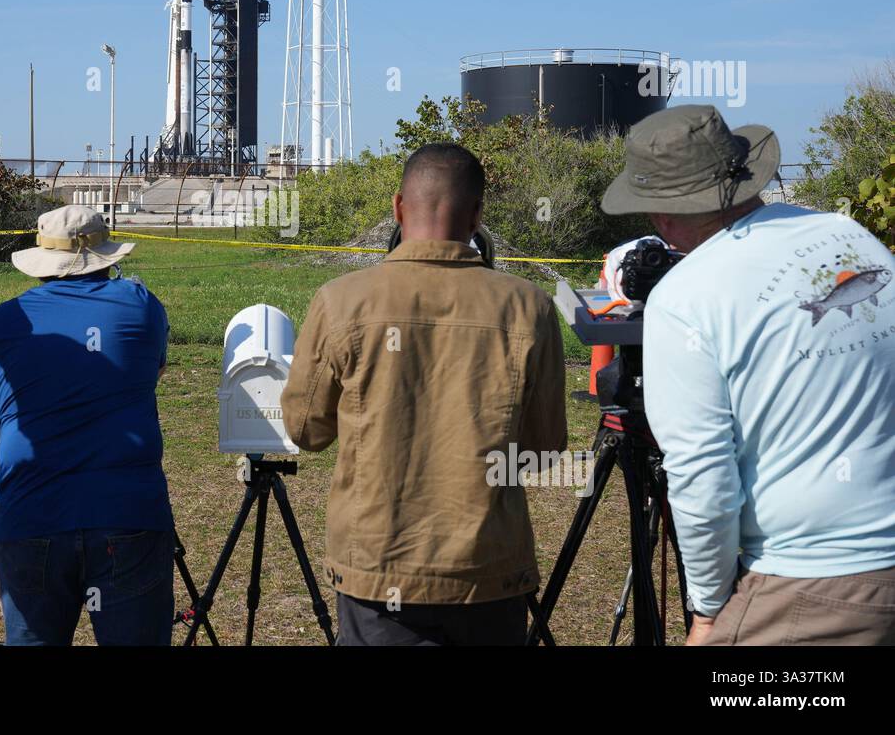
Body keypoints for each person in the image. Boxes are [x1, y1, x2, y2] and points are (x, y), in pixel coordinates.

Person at [601, 104, 895, 645]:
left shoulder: (686, 297)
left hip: (812, 583)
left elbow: (702, 475)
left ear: (661, 216)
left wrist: (709, 610)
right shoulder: (850, 235)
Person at [281, 143, 567, 645]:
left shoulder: (341, 301)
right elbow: (543, 449)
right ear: (477, 215)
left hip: (377, 566)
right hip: (486, 570)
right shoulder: (530, 307)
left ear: (397, 207)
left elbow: (307, 431)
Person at [0, 204, 175, 646]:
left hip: (30, 519)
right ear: (107, 256)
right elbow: (148, 372)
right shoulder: (142, 307)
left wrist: (4, 547)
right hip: (128, 515)